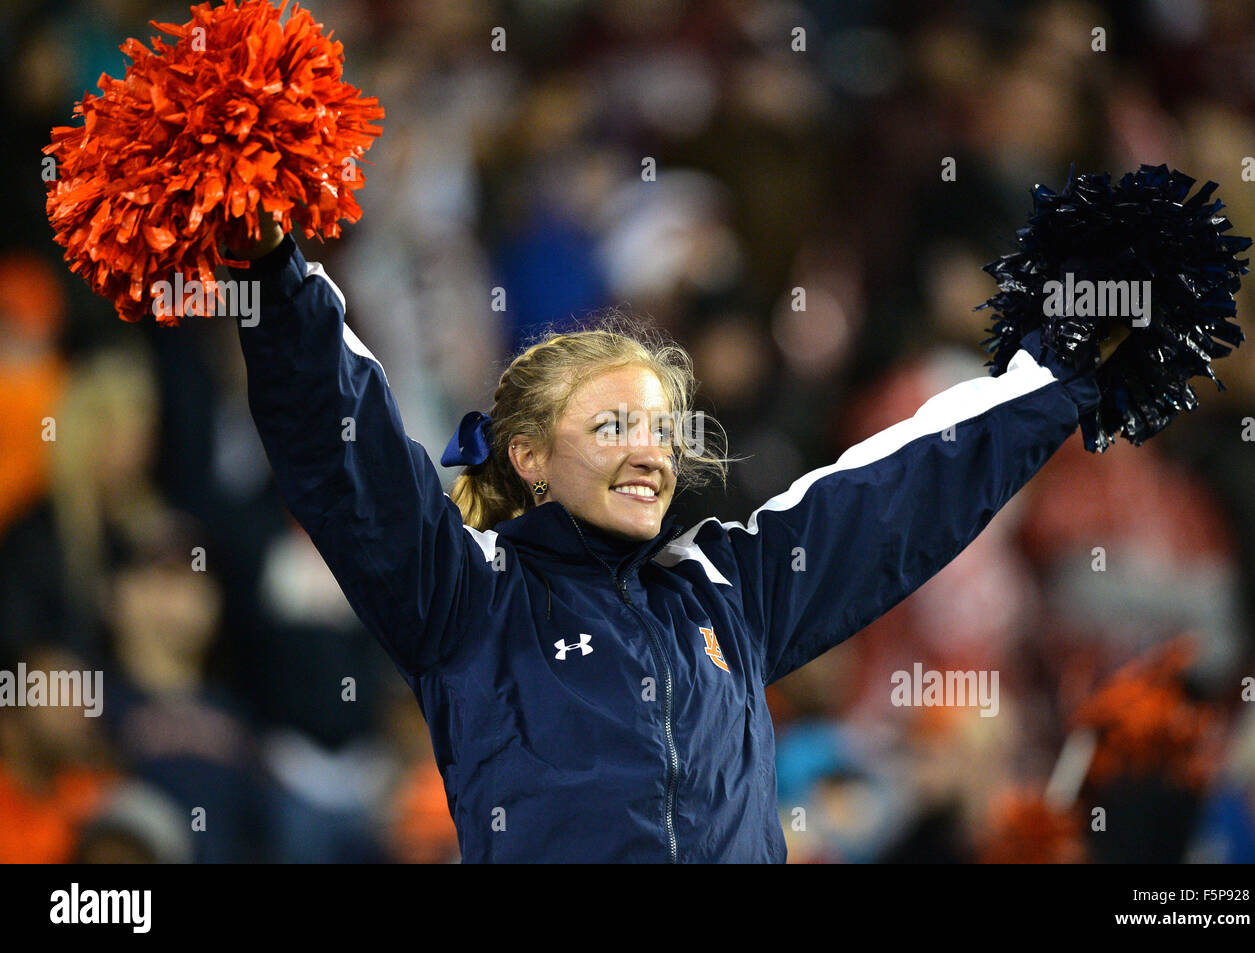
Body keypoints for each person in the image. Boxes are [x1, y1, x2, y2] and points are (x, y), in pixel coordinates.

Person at [223, 208, 1119, 863]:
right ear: (530, 455)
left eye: (660, 429)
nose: (648, 453)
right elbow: (348, 453)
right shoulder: (466, 597)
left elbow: (903, 493)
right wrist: (273, 274)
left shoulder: (732, 588)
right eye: (612, 427)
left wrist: (1065, 370)